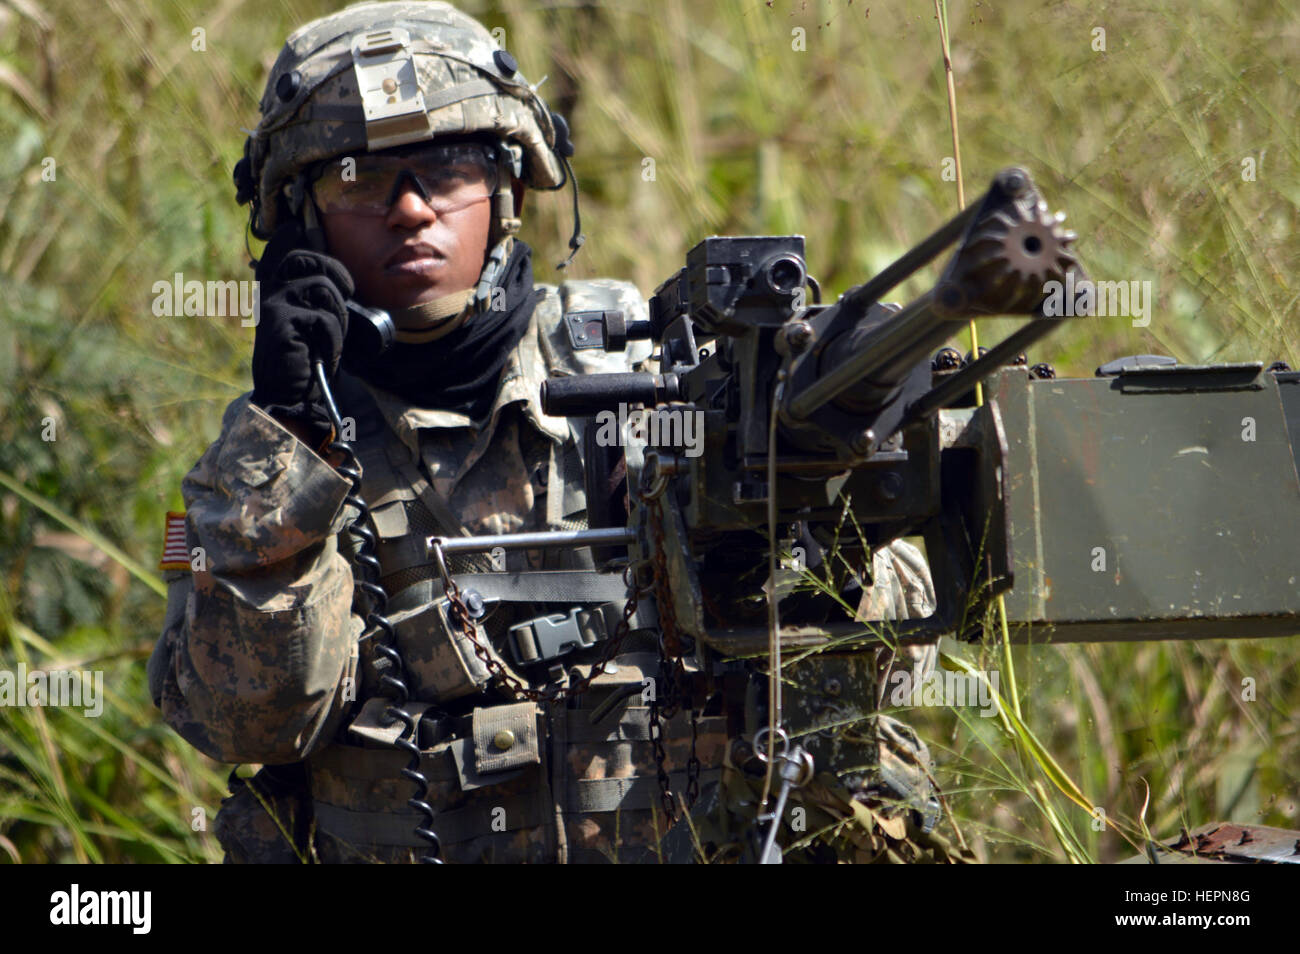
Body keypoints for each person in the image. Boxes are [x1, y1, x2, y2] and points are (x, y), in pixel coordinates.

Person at [148, 0, 962, 864]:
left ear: (507, 190)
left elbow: (900, 639)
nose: (411, 209)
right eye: (356, 179)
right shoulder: (275, 452)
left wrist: (789, 546)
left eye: (450, 167)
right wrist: (293, 436)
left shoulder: (660, 372)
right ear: (299, 220)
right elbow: (251, 721)